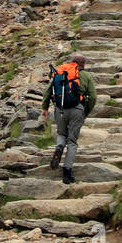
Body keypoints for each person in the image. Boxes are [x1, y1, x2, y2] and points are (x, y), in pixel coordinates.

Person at [41, 53, 96, 184]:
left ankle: (59, 146)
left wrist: (44, 107)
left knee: (61, 133)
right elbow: (93, 97)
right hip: (77, 110)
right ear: (84, 64)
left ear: (72, 62)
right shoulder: (86, 75)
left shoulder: (60, 72)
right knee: (72, 141)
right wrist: (86, 111)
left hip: (59, 108)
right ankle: (67, 172)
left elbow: (49, 90)